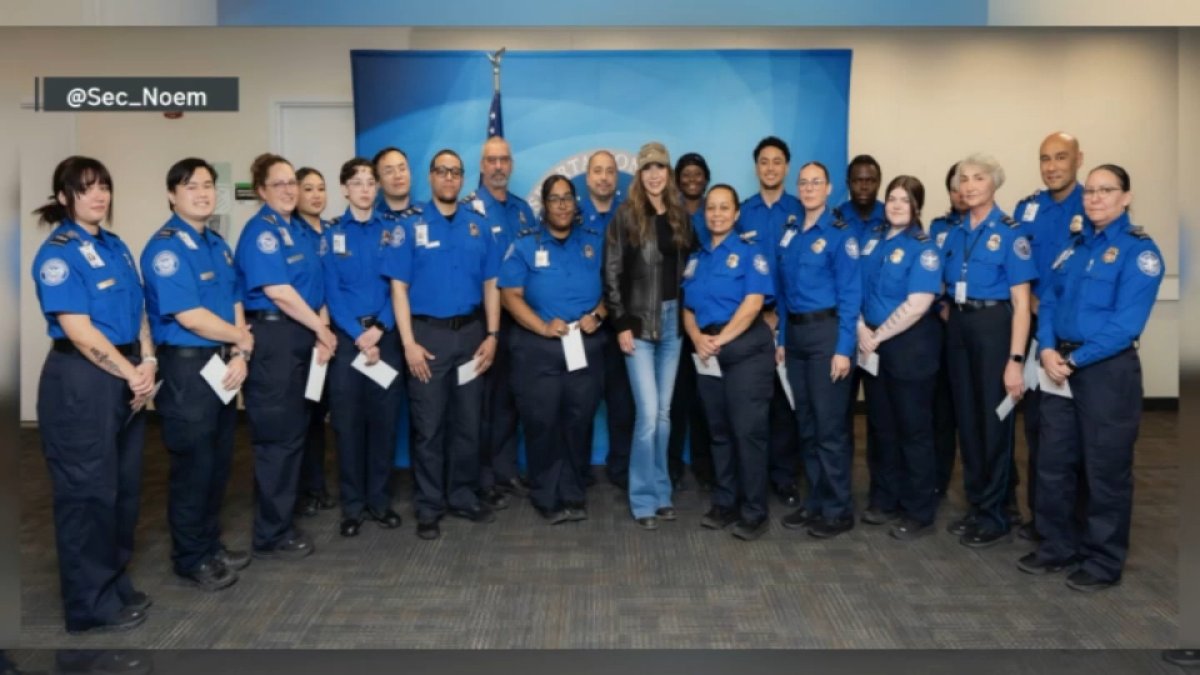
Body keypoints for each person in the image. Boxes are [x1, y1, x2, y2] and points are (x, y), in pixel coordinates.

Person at [1018, 164, 1162, 591]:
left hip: (1104, 373)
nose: (1095, 198)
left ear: (1126, 197)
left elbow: (1126, 325)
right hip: (1056, 367)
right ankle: (1057, 546)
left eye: (1106, 190)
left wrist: (1074, 360)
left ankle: (1102, 561)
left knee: (1105, 470)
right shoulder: (1072, 249)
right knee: (1053, 463)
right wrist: (1044, 348)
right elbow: (1048, 302)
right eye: (1091, 191)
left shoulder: (1141, 252)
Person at [32, 156, 155, 633]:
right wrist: (130, 371)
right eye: (85, 189)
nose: (98, 195)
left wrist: (148, 362)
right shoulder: (58, 254)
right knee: (86, 495)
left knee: (121, 490)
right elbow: (79, 331)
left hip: (126, 372)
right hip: (80, 383)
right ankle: (89, 605)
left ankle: (112, 580)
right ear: (64, 198)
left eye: (104, 186)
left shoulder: (115, 245)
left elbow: (139, 309)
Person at [141, 158, 253, 591]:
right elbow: (190, 317)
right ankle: (190, 558)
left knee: (218, 460)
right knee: (193, 466)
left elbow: (234, 297)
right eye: (192, 187)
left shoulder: (216, 244)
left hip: (221, 361)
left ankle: (210, 544)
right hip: (187, 366)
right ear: (172, 194)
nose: (203, 193)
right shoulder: (166, 249)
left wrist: (239, 347)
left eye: (208, 185)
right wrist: (242, 338)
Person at [383, 148, 501, 541]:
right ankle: (429, 505)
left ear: (463, 179)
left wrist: (493, 335)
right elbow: (398, 288)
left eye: (456, 172)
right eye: (442, 171)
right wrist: (409, 344)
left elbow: (491, 285)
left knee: (468, 423)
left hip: (471, 336)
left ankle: (462, 496)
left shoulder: (477, 226)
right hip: (427, 338)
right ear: (430, 176)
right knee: (428, 427)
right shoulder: (409, 225)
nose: (449, 178)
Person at [233, 152, 335, 560]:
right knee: (278, 440)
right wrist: (322, 328)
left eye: (293, 181)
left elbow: (314, 287)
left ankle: (281, 519)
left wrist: (319, 331)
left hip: (299, 334)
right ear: (261, 191)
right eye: (280, 184)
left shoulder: (295, 230)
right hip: (275, 337)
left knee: (294, 434)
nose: (290, 190)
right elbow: (279, 291)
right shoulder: (262, 233)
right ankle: (272, 535)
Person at [941, 153, 1037, 548]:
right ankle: (977, 505)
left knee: (993, 423)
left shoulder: (1011, 234)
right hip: (959, 325)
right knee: (967, 420)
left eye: (978, 178)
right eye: (963, 178)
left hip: (995, 326)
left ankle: (997, 514)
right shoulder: (955, 232)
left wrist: (1015, 361)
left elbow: (1022, 305)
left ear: (994, 184)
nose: (969, 185)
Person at [499, 174, 607, 523]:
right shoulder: (525, 244)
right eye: (554, 198)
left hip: (584, 345)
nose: (561, 205)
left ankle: (574, 493)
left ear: (576, 203)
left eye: (567, 198)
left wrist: (599, 314)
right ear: (543, 206)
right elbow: (510, 296)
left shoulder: (594, 241)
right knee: (542, 423)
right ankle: (547, 496)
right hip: (537, 349)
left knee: (579, 420)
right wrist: (543, 327)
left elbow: (613, 288)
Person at [603, 141, 692, 530]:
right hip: (637, 327)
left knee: (665, 416)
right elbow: (611, 273)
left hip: (672, 326)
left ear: (668, 173)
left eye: (660, 168)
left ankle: (662, 492)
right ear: (639, 174)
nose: (654, 174)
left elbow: (690, 265)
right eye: (647, 168)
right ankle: (642, 499)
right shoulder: (625, 215)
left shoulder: (679, 215)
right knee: (649, 417)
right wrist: (621, 323)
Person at [682, 184, 776, 540]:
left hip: (745, 351)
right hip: (707, 351)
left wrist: (720, 340)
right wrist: (695, 337)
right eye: (711, 208)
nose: (717, 214)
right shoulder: (697, 258)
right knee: (718, 433)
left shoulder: (751, 253)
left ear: (737, 214)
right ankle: (725, 502)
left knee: (746, 433)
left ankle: (753, 511)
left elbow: (754, 303)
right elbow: (688, 308)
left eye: (725, 208)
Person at [774, 161, 862, 539]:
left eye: (816, 183)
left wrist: (844, 348)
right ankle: (815, 502)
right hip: (795, 339)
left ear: (829, 190)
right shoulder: (791, 233)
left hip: (827, 336)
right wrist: (780, 340)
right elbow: (781, 294)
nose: (809, 188)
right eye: (804, 183)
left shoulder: (841, 234)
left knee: (830, 429)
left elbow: (851, 295)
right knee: (807, 426)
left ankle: (838, 508)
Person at [322, 158, 406, 537]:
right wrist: (358, 334)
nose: (365, 188)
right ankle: (353, 507)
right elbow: (331, 291)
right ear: (344, 189)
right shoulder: (331, 235)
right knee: (349, 426)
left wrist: (379, 328)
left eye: (370, 182)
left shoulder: (393, 231)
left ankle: (380, 502)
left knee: (384, 425)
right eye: (357, 182)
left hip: (384, 339)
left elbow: (399, 286)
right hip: (347, 342)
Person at [856, 176, 944, 539]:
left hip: (908, 347)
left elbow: (918, 304)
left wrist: (877, 334)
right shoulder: (872, 238)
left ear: (916, 207)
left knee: (913, 430)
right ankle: (884, 498)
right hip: (872, 343)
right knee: (881, 428)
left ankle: (918, 509)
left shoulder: (923, 247)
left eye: (904, 200)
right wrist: (862, 328)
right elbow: (854, 287)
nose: (895, 205)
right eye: (891, 198)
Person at [1011, 131, 1086, 542]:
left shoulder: (1092, 204)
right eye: (1045, 158)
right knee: (1038, 430)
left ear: (1079, 159)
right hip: (1035, 337)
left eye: (1061, 157)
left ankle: (1074, 523)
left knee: (1075, 439)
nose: (1052, 166)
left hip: (1073, 339)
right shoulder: (1028, 208)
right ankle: (1042, 518)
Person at [467, 136, 537, 506]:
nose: (498, 166)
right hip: (483, 322)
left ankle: (506, 469)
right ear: (481, 166)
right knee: (482, 404)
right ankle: (483, 477)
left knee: (511, 400)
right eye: (491, 160)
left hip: (519, 322)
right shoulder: (469, 212)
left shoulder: (524, 211)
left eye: (504, 160)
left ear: (511, 165)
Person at [736, 136, 802, 508]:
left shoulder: (801, 209)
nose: (771, 168)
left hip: (793, 320)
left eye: (778, 161)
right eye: (764, 161)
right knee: (755, 403)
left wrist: (782, 318)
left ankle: (786, 477)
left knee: (787, 405)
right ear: (756, 167)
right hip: (753, 321)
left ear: (787, 167)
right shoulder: (743, 213)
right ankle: (756, 477)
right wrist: (761, 314)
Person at [578, 150, 635, 491]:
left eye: (609, 172)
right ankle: (580, 469)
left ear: (616, 178)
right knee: (581, 404)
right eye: (597, 171)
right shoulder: (571, 215)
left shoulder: (630, 216)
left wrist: (607, 310)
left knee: (623, 405)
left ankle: (621, 469)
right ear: (587, 178)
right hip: (583, 327)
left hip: (621, 325)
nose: (603, 177)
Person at [668, 152, 714, 491]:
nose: (692, 179)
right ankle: (670, 464)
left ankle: (703, 463)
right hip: (672, 319)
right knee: (674, 398)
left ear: (706, 178)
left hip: (707, 319)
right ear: (677, 179)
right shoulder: (667, 214)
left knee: (705, 398)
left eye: (698, 174)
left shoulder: (717, 212)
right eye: (686, 174)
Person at [293, 166, 336, 517]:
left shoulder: (334, 231)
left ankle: (318, 485)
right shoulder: (292, 233)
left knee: (321, 414)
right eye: (308, 189)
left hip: (333, 334)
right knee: (302, 416)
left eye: (321, 188)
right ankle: (304, 490)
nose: (316, 195)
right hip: (303, 333)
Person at [929, 163, 966, 499]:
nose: (962, 191)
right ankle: (938, 480)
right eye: (955, 186)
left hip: (979, 329)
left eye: (968, 184)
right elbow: (932, 277)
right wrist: (943, 311)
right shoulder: (938, 228)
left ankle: (994, 497)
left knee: (975, 416)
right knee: (940, 413)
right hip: (942, 329)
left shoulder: (997, 229)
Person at [374, 146, 414, 218]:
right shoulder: (368, 219)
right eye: (389, 172)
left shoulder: (429, 214)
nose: (398, 176)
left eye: (402, 169)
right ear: (378, 181)